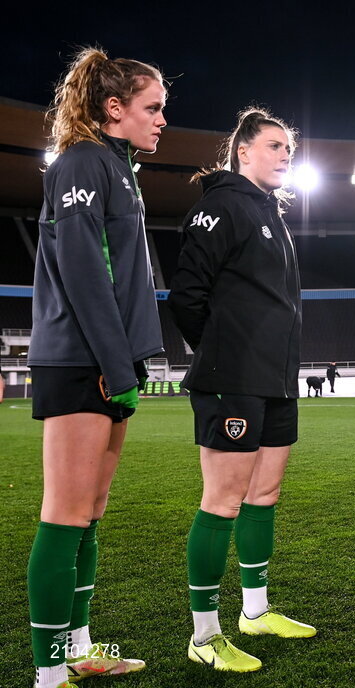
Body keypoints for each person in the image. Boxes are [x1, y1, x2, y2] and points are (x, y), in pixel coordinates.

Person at [25, 47, 166, 688]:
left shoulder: (117, 167)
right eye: (152, 108)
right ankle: (48, 674)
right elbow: (84, 271)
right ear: (114, 108)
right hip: (80, 358)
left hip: (109, 360)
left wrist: (128, 360)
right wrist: (116, 361)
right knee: (65, 511)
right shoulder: (81, 161)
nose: (161, 120)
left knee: (90, 510)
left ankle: (79, 650)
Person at [169, 107, 314, 673]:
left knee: (265, 495)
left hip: (276, 380)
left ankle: (255, 612)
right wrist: (221, 352)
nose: (285, 156)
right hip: (232, 379)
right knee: (222, 501)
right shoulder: (223, 206)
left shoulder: (270, 212)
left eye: (289, 149)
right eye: (275, 146)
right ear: (243, 150)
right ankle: (204, 636)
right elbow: (186, 296)